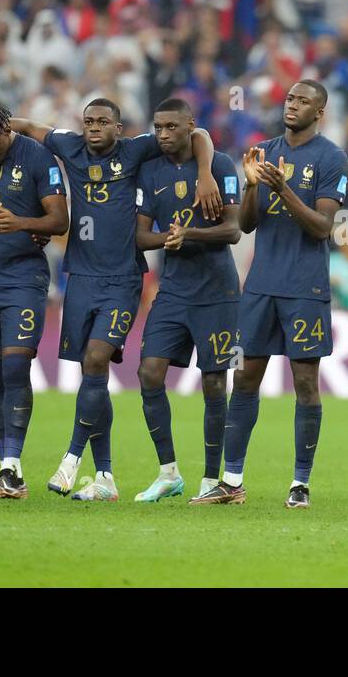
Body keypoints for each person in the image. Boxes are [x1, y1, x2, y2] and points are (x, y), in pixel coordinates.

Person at [5, 99, 220, 501]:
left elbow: (199, 133)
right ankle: (104, 477)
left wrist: (205, 173)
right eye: (88, 121)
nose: (94, 127)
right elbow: (30, 127)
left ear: (118, 128)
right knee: (94, 376)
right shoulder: (68, 146)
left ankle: (71, 459)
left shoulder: (137, 149)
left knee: (96, 359)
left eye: (103, 122)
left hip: (122, 279)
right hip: (81, 279)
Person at [191, 80, 348, 509]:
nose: (293, 105)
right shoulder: (263, 150)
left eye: (304, 101)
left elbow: (323, 228)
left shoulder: (332, 158)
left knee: (305, 383)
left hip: (305, 287)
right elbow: (246, 225)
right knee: (244, 377)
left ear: (320, 112)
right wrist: (250, 186)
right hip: (260, 285)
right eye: (290, 99)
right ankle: (232, 480)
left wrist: (283, 188)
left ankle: (300, 484)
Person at [133, 98, 241, 502]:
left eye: (171, 127)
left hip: (218, 292)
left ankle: (212, 479)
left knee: (214, 382)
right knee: (149, 373)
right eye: (157, 127)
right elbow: (141, 236)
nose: (163, 135)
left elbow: (233, 231)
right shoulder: (149, 172)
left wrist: (189, 233)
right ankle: (168, 472)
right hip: (173, 290)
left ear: (189, 126)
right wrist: (169, 238)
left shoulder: (221, 167)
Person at [0, 105, 69, 499]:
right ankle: (10, 471)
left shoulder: (38, 157)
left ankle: (11, 464)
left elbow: (60, 221)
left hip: (24, 278)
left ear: (7, 132)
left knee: (15, 366)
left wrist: (21, 223)